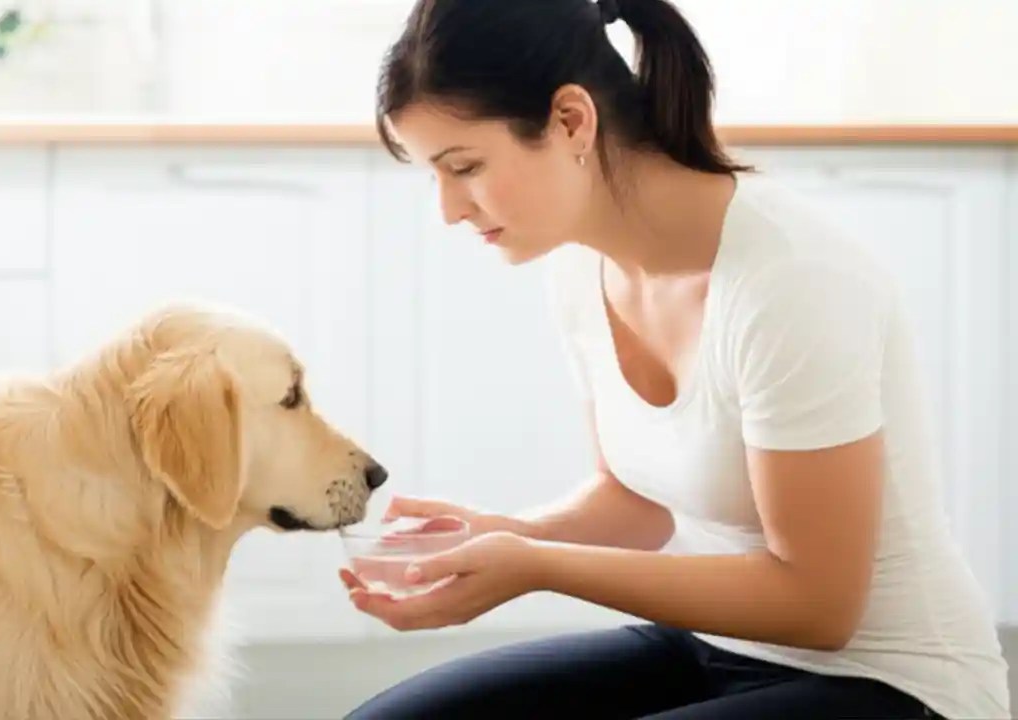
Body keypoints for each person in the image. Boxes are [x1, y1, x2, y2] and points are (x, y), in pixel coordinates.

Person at [337, 0, 1012, 718]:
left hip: (893, 682)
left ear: (572, 120)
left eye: (463, 166)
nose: (448, 209)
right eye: (432, 176)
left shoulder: (790, 279)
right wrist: (508, 535)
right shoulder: (580, 271)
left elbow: (820, 605)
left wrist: (534, 566)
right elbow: (634, 500)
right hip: (715, 646)